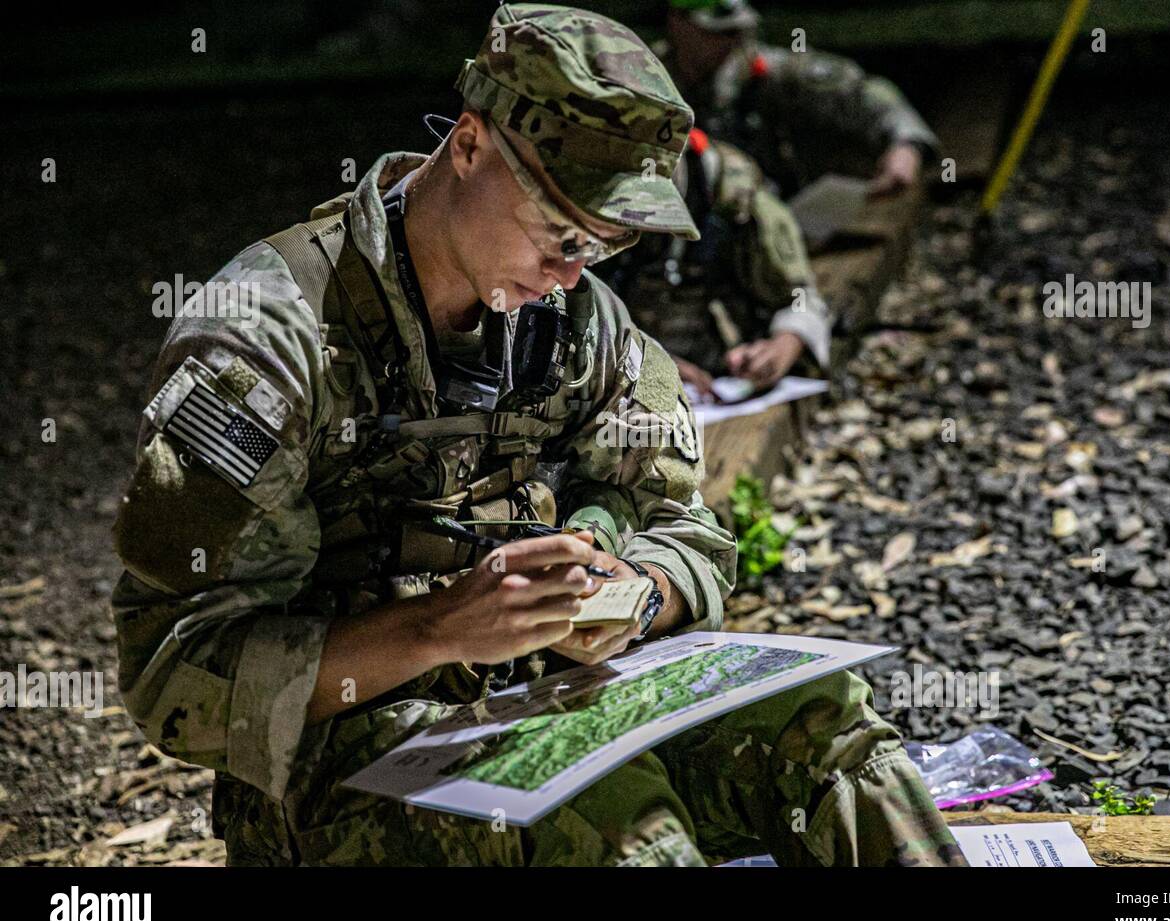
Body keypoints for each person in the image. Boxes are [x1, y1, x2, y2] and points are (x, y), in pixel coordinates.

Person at [111, 3, 964, 867]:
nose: (572, 270)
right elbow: (171, 673)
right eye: (559, 230)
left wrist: (622, 585)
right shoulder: (267, 338)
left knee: (833, 732)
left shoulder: (578, 320)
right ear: (471, 145)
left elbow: (685, 525)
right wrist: (440, 630)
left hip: (548, 699)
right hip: (344, 768)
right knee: (627, 830)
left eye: (605, 241)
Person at [599, 128, 832, 396]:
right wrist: (639, 361)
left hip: (718, 378)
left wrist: (787, 342)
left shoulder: (733, 195)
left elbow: (800, 295)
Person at [659, 0, 939, 199]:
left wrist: (908, 145)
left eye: (736, 32)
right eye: (717, 32)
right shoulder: (644, 75)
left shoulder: (772, 72)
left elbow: (866, 94)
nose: (730, 43)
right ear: (678, 23)